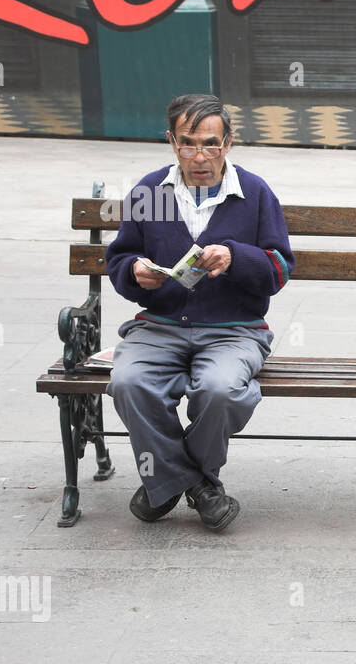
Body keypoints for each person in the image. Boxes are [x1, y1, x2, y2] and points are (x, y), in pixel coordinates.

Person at [104, 93, 294, 531]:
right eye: (188, 143)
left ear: (228, 143)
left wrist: (235, 259)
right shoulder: (149, 192)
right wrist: (134, 273)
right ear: (172, 142)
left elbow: (280, 269)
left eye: (211, 143)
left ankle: (166, 481)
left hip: (235, 330)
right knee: (129, 382)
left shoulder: (255, 193)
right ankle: (199, 485)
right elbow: (120, 259)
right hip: (160, 326)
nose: (200, 155)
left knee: (221, 390)